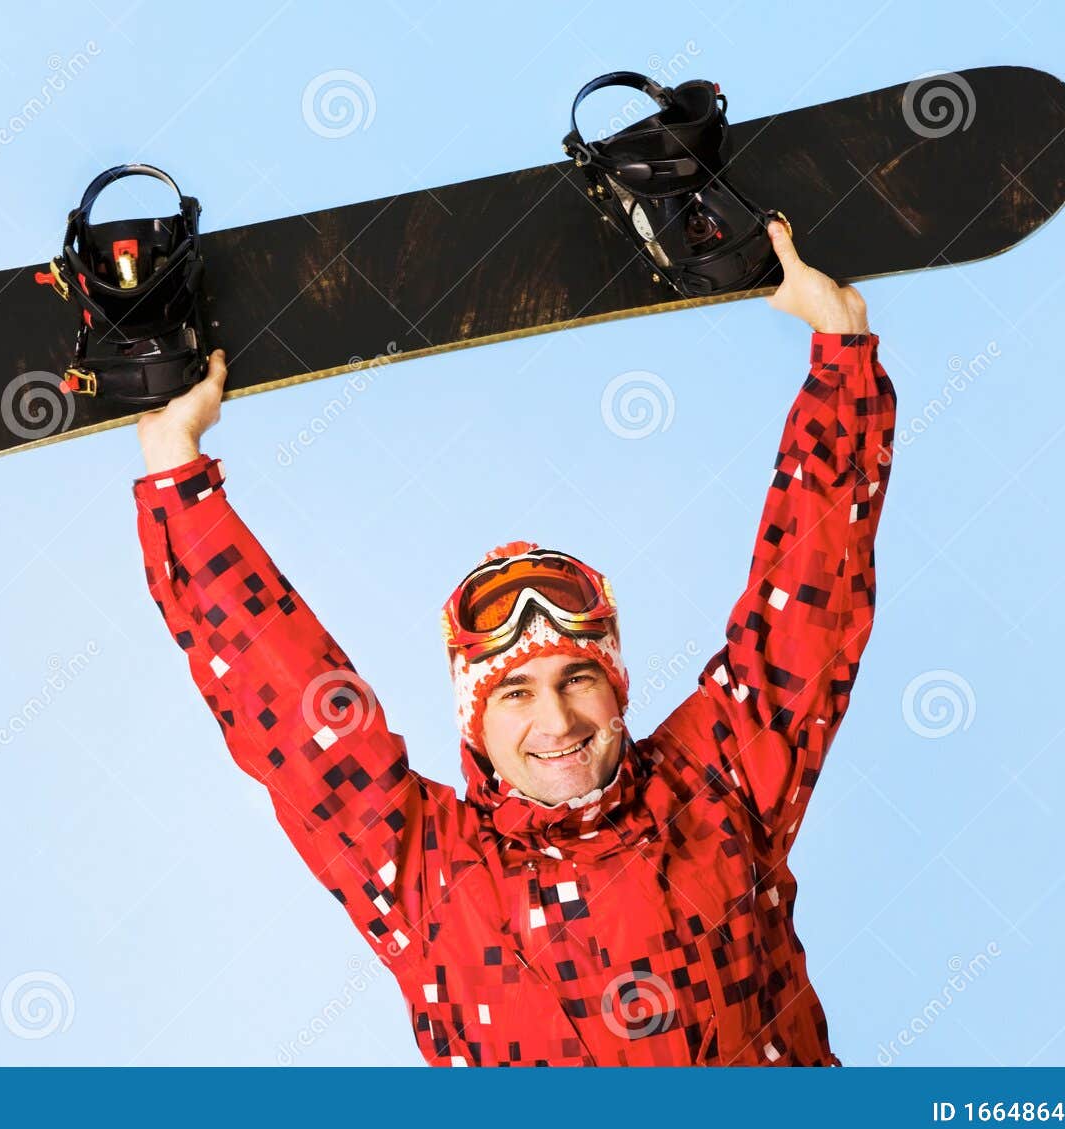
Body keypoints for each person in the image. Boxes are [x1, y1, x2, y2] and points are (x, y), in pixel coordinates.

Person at [132, 220, 895, 1066]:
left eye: (578, 677)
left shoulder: (721, 785)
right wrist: (177, 480)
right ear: (476, 723)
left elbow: (812, 595)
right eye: (515, 692)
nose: (558, 717)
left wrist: (841, 356)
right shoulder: (427, 874)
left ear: (620, 685)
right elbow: (281, 692)